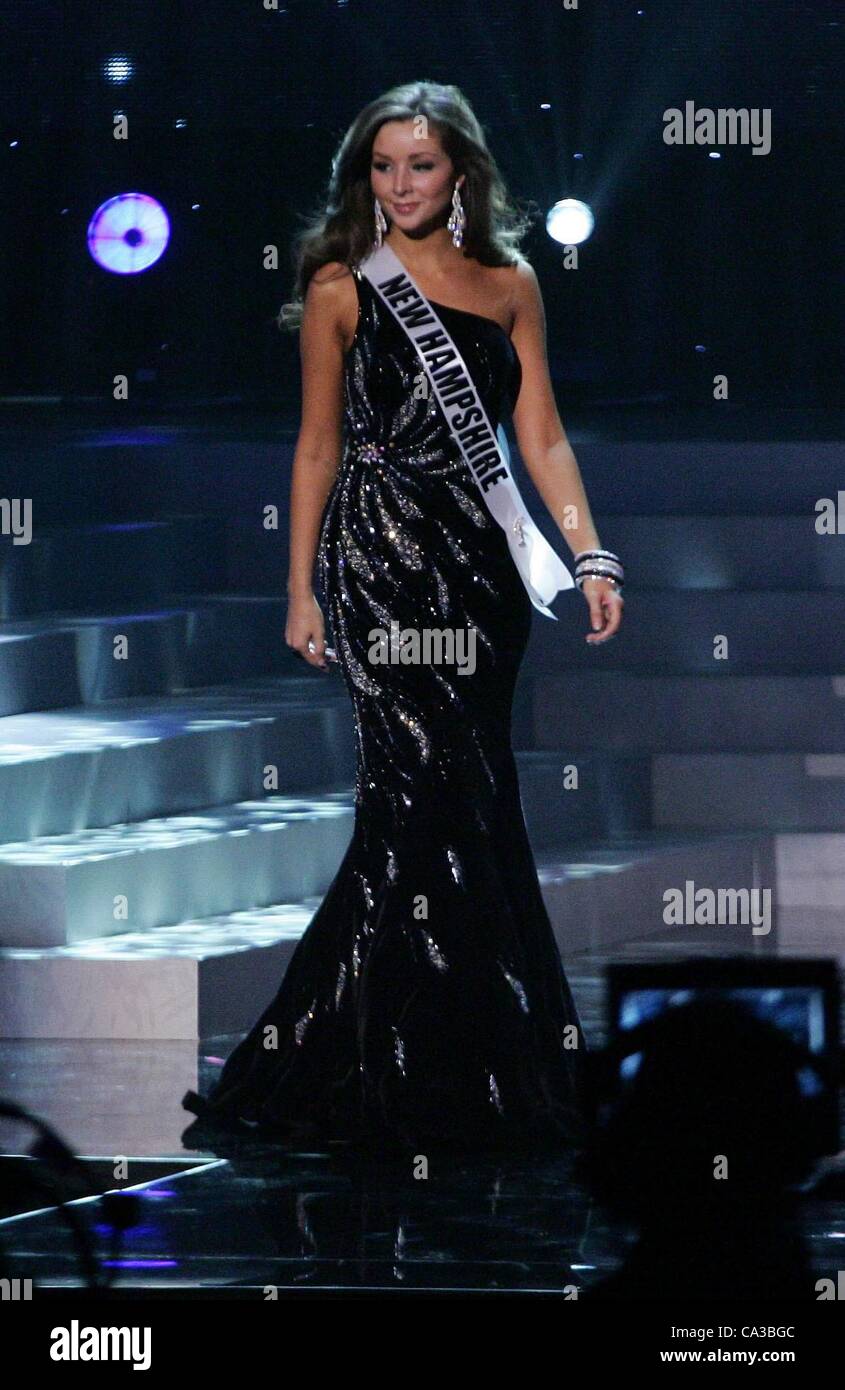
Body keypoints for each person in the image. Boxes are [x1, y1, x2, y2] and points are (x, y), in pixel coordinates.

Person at [182, 80, 624, 1155]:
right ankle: (362, 1060)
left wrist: (589, 552)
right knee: (405, 801)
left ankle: (472, 1062)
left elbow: (544, 437)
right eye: (381, 168)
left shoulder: (512, 282)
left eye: (417, 167)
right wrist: (300, 586)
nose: (398, 185)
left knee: (474, 799)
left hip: (480, 567)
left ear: (459, 172)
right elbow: (317, 445)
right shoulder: (342, 284)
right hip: (380, 557)